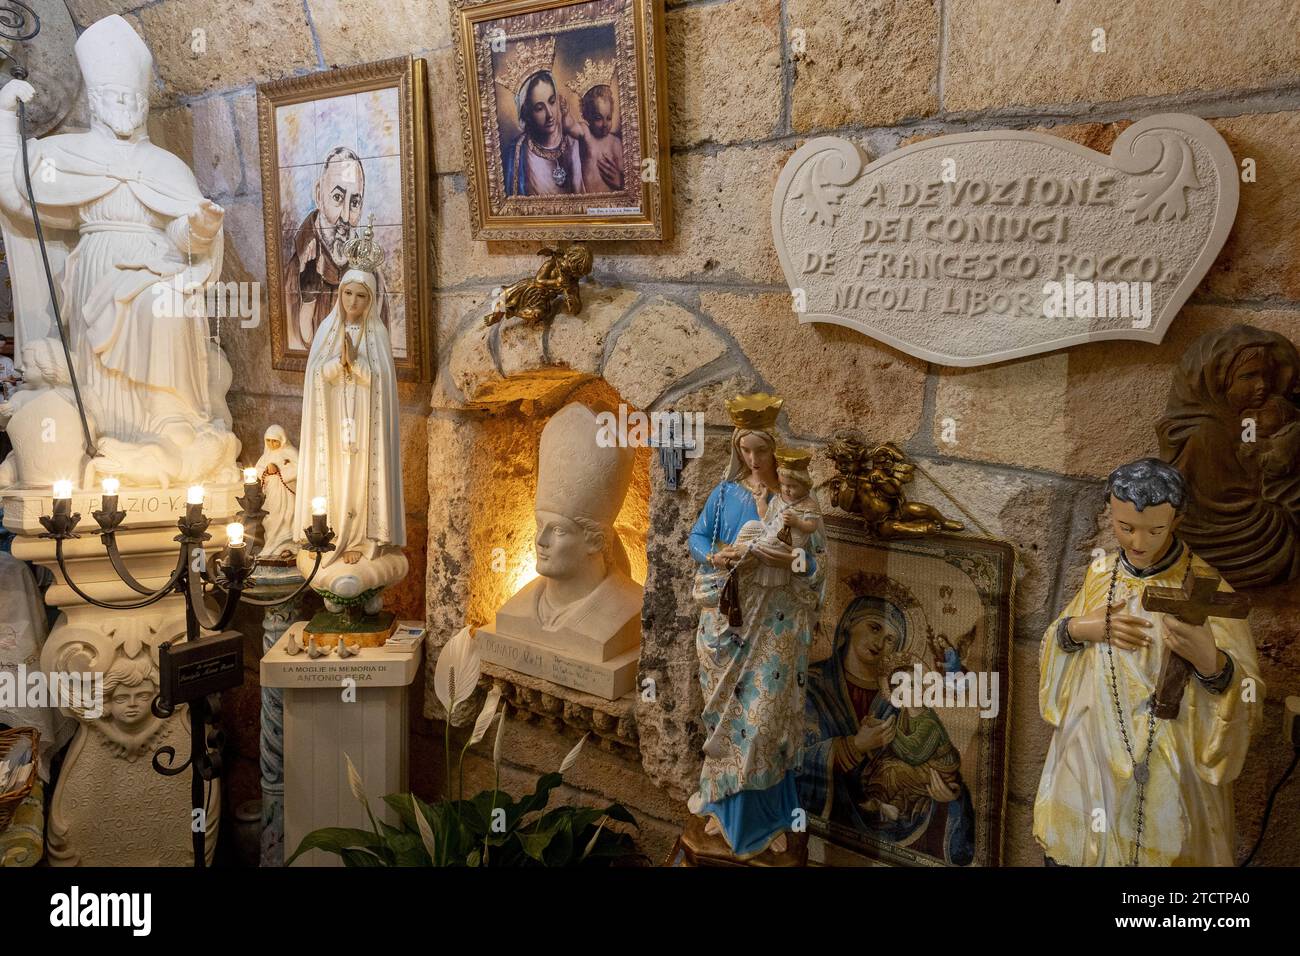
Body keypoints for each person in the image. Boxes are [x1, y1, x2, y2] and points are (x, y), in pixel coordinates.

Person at [1034, 457, 1262, 866]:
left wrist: (1212, 664)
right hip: (1092, 752)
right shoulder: (1101, 573)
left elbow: (1247, 692)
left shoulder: (1208, 592)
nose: (1139, 542)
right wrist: (1080, 629)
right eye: (1126, 528)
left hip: (1171, 762)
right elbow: (1059, 639)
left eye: (1154, 530)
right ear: (1111, 513)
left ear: (1176, 520)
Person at [686, 393, 827, 859]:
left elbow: (818, 562)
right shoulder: (725, 495)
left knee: (763, 722)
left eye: (759, 449)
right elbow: (698, 536)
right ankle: (724, 807)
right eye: (744, 449)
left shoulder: (801, 503)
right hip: (730, 623)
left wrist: (792, 559)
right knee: (728, 722)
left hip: (778, 626)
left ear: (774, 447)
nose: (751, 459)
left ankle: (766, 817)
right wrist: (718, 555)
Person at [798, 593, 975, 865]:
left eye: (891, 638)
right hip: (826, 826)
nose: (880, 643)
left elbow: (935, 762)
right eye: (875, 627)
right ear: (848, 623)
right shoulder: (812, 685)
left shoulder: (899, 700)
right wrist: (853, 747)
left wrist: (949, 797)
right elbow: (788, 759)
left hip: (896, 822)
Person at [293, 229, 405, 602]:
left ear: (370, 300)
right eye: (347, 294)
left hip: (363, 423)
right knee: (336, 477)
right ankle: (332, 535)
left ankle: (361, 538)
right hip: (334, 427)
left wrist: (356, 368)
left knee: (361, 476)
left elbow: (382, 383)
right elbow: (315, 377)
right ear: (339, 294)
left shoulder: (377, 336)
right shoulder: (328, 330)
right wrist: (333, 369)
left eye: (361, 296)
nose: (353, 302)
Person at [1157, 323, 1300, 587]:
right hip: (1245, 542)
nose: (1263, 386)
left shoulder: (1249, 420)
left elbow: (1254, 456)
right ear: (1216, 381)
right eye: (1249, 376)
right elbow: (1231, 500)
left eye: (1266, 376)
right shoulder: (1204, 434)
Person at [282, 147, 389, 351]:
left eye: (355, 202)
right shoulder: (295, 272)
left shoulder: (372, 278)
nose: (346, 217)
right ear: (318, 195)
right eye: (338, 198)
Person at [500, 40, 582, 197]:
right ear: (527, 113)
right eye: (539, 108)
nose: (550, 114)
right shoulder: (516, 153)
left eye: (552, 102)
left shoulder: (574, 141)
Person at [255, 424, 298, 560]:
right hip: (272, 493)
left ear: (282, 440)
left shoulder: (290, 451)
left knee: (287, 516)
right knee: (272, 517)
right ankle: (272, 544)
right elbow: (258, 468)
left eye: (275, 441)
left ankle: (288, 545)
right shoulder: (266, 455)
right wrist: (267, 470)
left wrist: (279, 471)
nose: (271, 444)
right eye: (268, 441)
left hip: (287, 493)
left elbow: (300, 467)